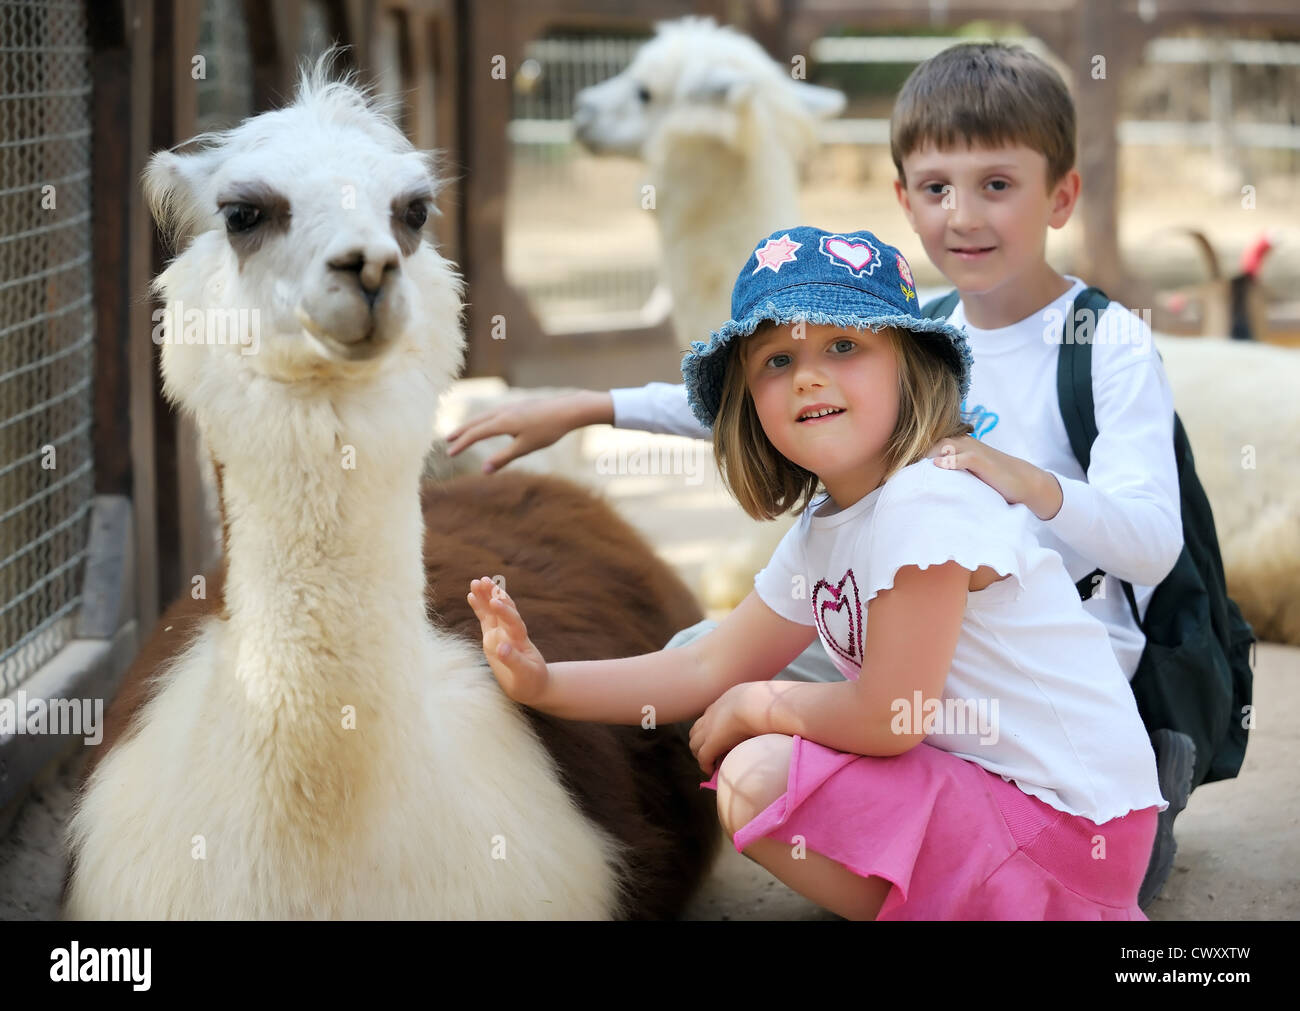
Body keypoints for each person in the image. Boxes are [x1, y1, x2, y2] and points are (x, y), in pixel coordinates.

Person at [445, 42, 1192, 908]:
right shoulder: (831, 519)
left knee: (765, 762)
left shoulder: (937, 492)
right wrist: (540, 679)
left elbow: (890, 715)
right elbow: (705, 669)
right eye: (775, 362)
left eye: (843, 346)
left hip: (1065, 803)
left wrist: (768, 702)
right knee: (723, 693)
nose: (808, 376)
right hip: (964, 738)